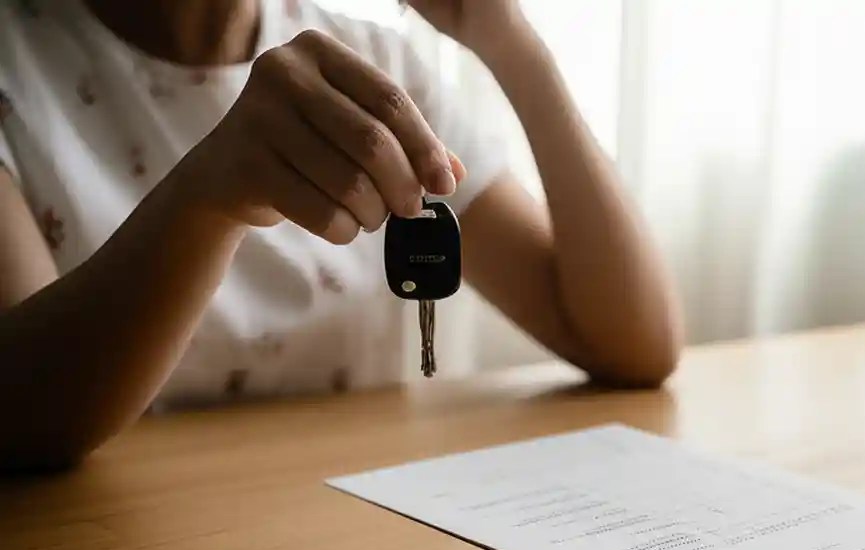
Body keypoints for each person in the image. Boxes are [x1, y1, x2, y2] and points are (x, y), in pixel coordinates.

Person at [0, 0, 683, 470]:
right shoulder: (16, 68)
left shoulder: (376, 70)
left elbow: (635, 345)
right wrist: (208, 196)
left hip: (361, 545)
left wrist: (510, 45)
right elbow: (21, 415)